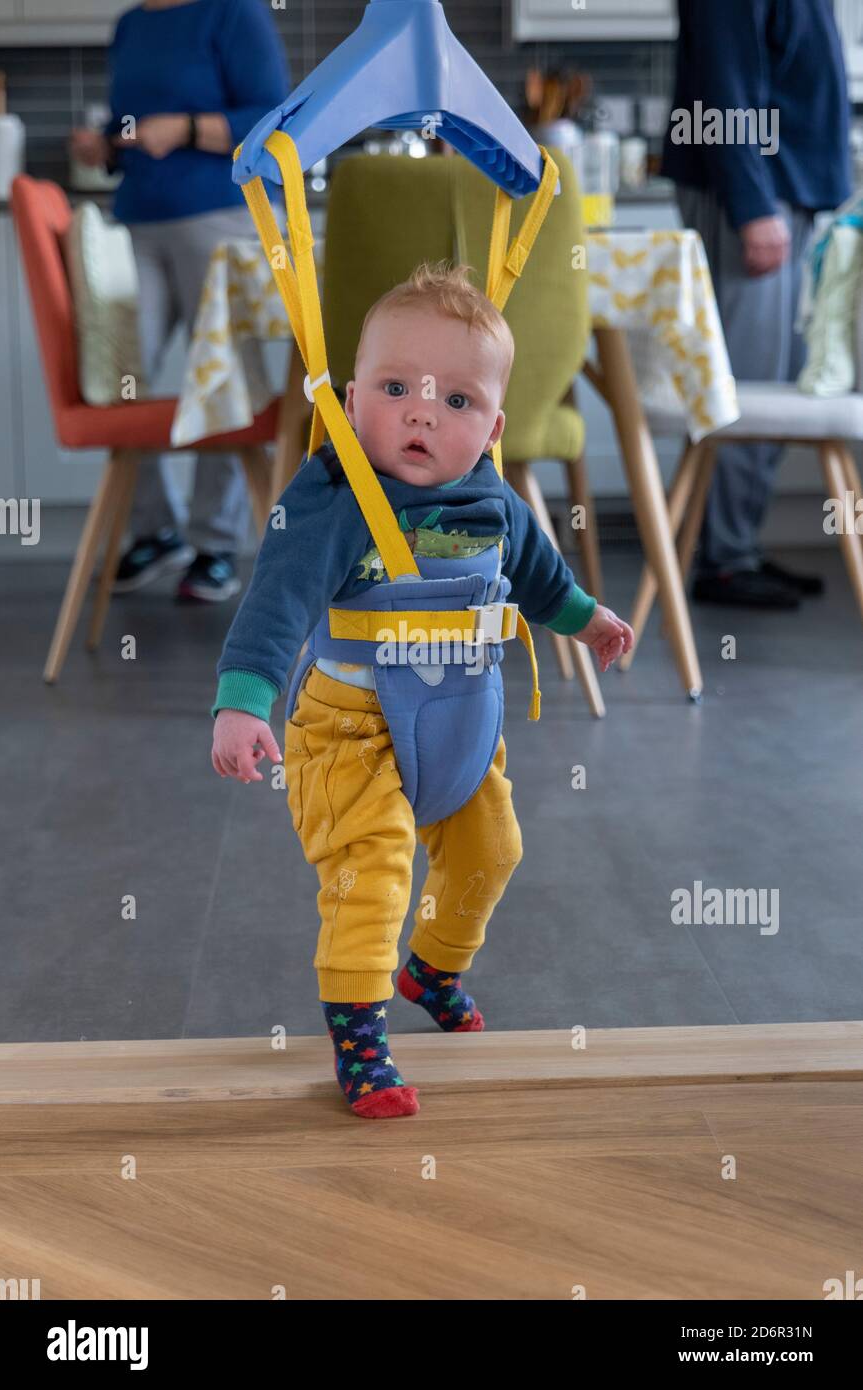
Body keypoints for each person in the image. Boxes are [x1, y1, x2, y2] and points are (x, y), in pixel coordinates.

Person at [209, 261, 634, 1118]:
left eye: (455, 402)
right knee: (373, 874)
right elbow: (278, 599)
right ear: (350, 394)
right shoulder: (335, 494)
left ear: (492, 427)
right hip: (353, 730)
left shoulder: (494, 501)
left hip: (461, 722)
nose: (419, 413)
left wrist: (587, 621)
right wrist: (244, 698)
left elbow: (542, 579)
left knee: (492, 851)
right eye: (396, 386)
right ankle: (360, 1038)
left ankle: (433, 968)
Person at [69, 0, 290, 602]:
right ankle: (155, 530)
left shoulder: (233, 14)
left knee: (223, 375)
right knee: (117, 373)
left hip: (221, 216)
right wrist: (108, 148)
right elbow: (130, 129)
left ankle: (216, 544)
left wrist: (187, 128)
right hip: (137, 220)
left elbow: (274, 122)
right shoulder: (131, 25)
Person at [661, 0, 852, 608]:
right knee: (743, 384)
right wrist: (752, 206)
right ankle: (722, 561)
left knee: (768, 378)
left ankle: (733, 546)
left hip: (780, 189)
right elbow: (727, 85)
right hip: (752, 197)